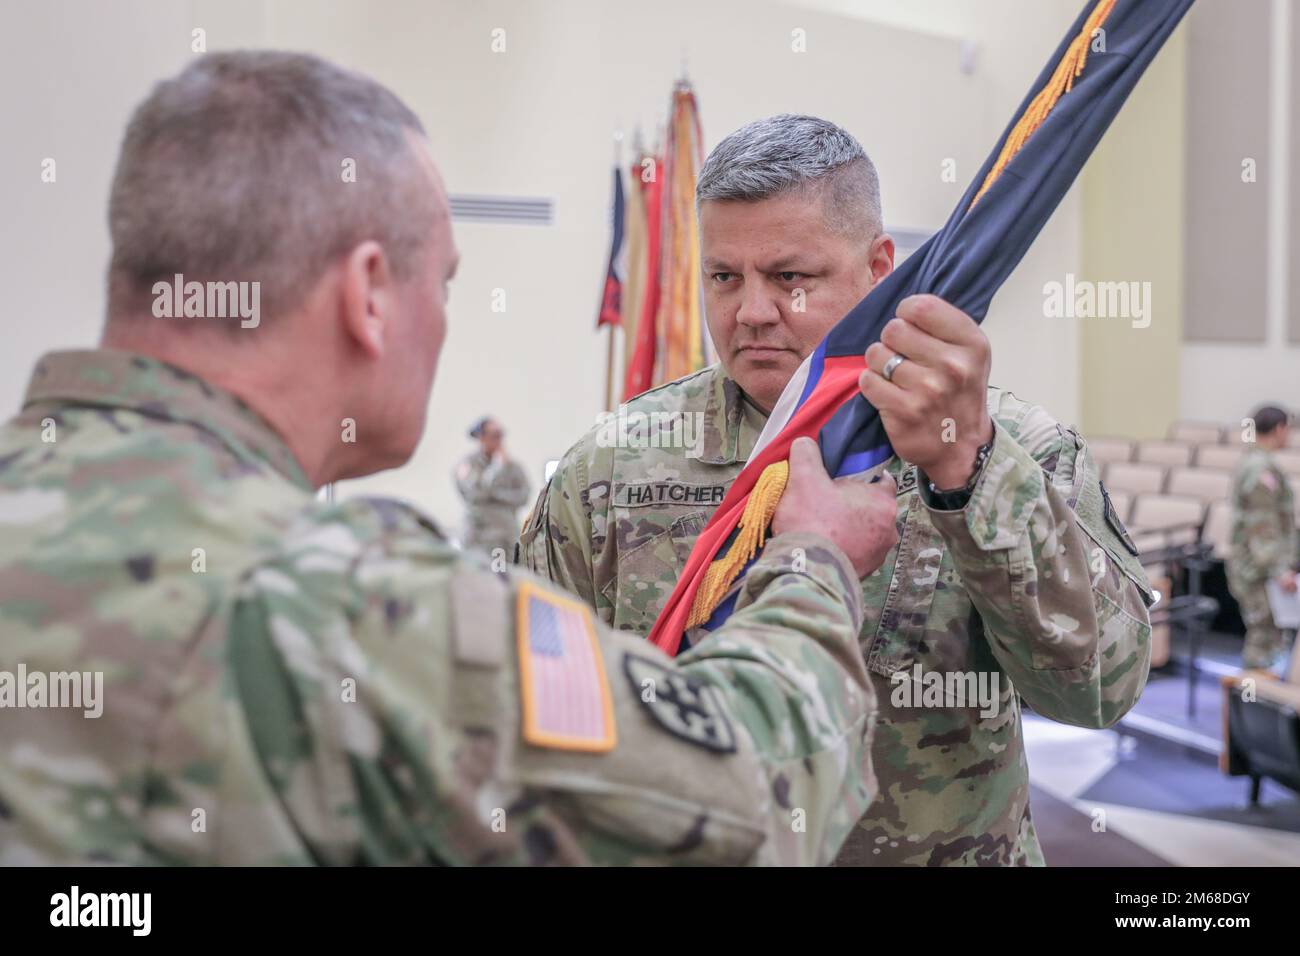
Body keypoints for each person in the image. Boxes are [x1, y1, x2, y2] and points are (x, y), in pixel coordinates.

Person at [0, 56, 901, 866]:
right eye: (445, 280)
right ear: (367, 296)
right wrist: (813, 563)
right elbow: (745, 809)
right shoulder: (360, 604)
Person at [520, 114, 1154, 866]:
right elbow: (538, 716)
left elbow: (1099, 690)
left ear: (878, 267)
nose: (752, 312)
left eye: (792, 277)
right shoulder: (615, 467)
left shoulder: (999, 444)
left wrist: (970, 476)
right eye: (724, 277)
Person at [1227, 405, 1298, 670]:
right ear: (1279, 428)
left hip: (1255, 565)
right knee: (1264, 639)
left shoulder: (1253, 461)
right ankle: (1255, 701)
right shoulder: (1261, 470)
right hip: (1259, 569)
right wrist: (1279, 570)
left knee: (1266, 637)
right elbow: (1262, 526)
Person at [454, 416, 531, 559]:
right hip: (478, 538)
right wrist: (496, 468)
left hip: (505, 536)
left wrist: (494, 495)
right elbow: (475, 494)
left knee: (506, 578)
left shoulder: (513, 467)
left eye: (501, 435)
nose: (499, 440)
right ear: (481, 438)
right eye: (494, 436)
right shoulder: (468, 465)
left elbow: (523, 496)